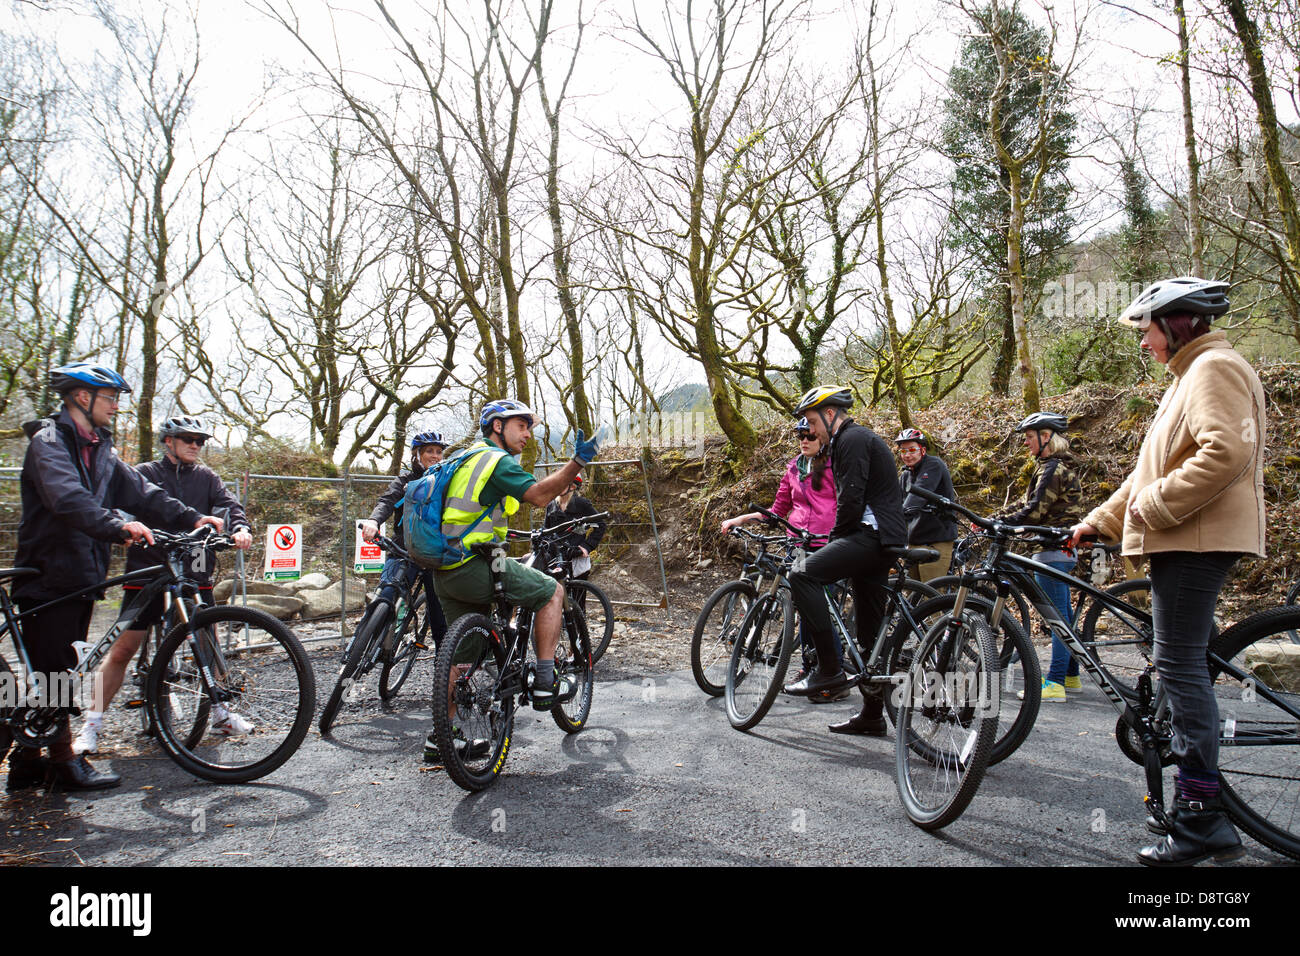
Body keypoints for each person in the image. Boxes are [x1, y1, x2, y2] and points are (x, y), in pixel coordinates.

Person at [1069, 277, 1264, 867]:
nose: (1144, 343)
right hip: (1186, 537)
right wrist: (1098, 521)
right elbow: (1148, 474)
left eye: (1148, 330)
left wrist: (1149, 511)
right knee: (1187, 665)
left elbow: (1227, 453)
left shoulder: (1213, 369)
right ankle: (1206, 810)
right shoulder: (1189, 376)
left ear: (1176, 323)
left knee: (1178, 667)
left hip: (1194, 541)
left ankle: (1201, 819)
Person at [7, 364, 223, 792]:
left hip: (83, 572)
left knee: (61, 666)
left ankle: (28, 760)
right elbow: (67, 497)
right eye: (109, 397)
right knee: (54, 669)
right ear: (81, 398)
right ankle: (64, 759)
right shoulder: (48, 442)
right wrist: (117, 526)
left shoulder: (100, 449)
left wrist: (192, 516)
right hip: (49, 572)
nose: (116, 405)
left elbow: (142, 493)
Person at [424, 400, 598, 761]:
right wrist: (577, 462)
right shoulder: (495, 461)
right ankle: (546, 683)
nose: (528, 434)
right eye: (522, 426)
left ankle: (441, 738)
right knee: (552, 591)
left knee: (459, 658)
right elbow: (538, 496)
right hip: (477, 563)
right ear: (498, 426)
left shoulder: (463, 459)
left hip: (445, 569)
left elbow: (480, 511)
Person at [73, 415, 254, 755]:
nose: (195, 445)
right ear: (168, 441)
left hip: (195, 567)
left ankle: (220, 712)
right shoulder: (145, 473)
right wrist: (129, 525)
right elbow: (121, 507)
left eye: (200, 440)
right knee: (124, 650)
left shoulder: (207, 477)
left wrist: (240, 528)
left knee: (208, 642)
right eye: (188, 438)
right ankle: (91, 726)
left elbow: (230, 505)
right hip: (149, 567)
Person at [780, 387, 908, 737]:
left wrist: (835, 540)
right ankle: (871, 715)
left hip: (870, 535)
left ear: (830, 414)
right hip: (881, 539)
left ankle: (829, 669)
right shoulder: (850, 440)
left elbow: (850, 498)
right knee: (869, 635)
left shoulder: (851, 439)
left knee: (801, 573)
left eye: (811, 422)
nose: (811, 431)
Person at [721, 417, 843, 695]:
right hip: (798, 545)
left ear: (822, 438)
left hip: (826, 545)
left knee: (820, 607)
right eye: (800, 435)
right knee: (803, 605)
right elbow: (777, 512)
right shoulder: (793, 468)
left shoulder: (836, 466)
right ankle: (811, 665)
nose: (804, 440)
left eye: (810, 435)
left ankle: (833, 672)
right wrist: (741, 518)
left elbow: (849, 504)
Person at [992, 411, 1083, 703]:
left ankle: (1055, 682)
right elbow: (1026, 502)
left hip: (1051, 550)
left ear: (1047, 437)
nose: (1027, 443)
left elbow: (1035, 511)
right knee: (1063, 615)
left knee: (1056, 619)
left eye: (1030, 437)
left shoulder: (1053, 468)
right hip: (1057, 549)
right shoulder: (1049, 466)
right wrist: (996, 517)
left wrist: (1004, 525)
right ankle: (1071, 675)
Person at [360, 430, 450, 638]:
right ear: (417, 454)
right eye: (430, 451)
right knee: (386, 595)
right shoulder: (404, 480)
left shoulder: (445, 484)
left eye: (439, 452)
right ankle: (358, 647)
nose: (435, 456)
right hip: (403, 550)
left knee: (439, 616)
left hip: (434, 554)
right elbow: (387, 501)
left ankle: (443, 666)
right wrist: (373, 521)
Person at [894, 428, 959, 583]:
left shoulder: (934, 465)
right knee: (912, 594)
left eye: (912, 450)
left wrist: (896, 517)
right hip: (914, 543)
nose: (907, 455)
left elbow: (917, 497)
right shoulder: (905, 475)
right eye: (903, 451)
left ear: (922, 450)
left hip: (936, 542)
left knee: (931, 595)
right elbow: (894, 503)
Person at [543, 473, 607, 612]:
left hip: (576, 557)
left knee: (578, 601)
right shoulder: (551, 506)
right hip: (555, 558)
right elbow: (545, 530)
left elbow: (600, 525)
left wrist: (586, 547)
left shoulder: (582, 504)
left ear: (572, 486)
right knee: (554, 599)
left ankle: (580, 630)